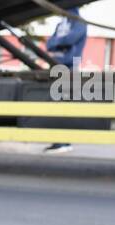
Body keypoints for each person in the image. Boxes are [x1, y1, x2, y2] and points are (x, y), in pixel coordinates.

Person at [44, 7, 87, 154]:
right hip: (56, 66)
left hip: (70, 68)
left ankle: (64, 142)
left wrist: (57, 41)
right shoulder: (61, 24)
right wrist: (58, 42)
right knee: (55, 105)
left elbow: (71, 39)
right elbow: (49, 44)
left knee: (64, 105)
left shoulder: (79, 23)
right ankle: (57, 141)